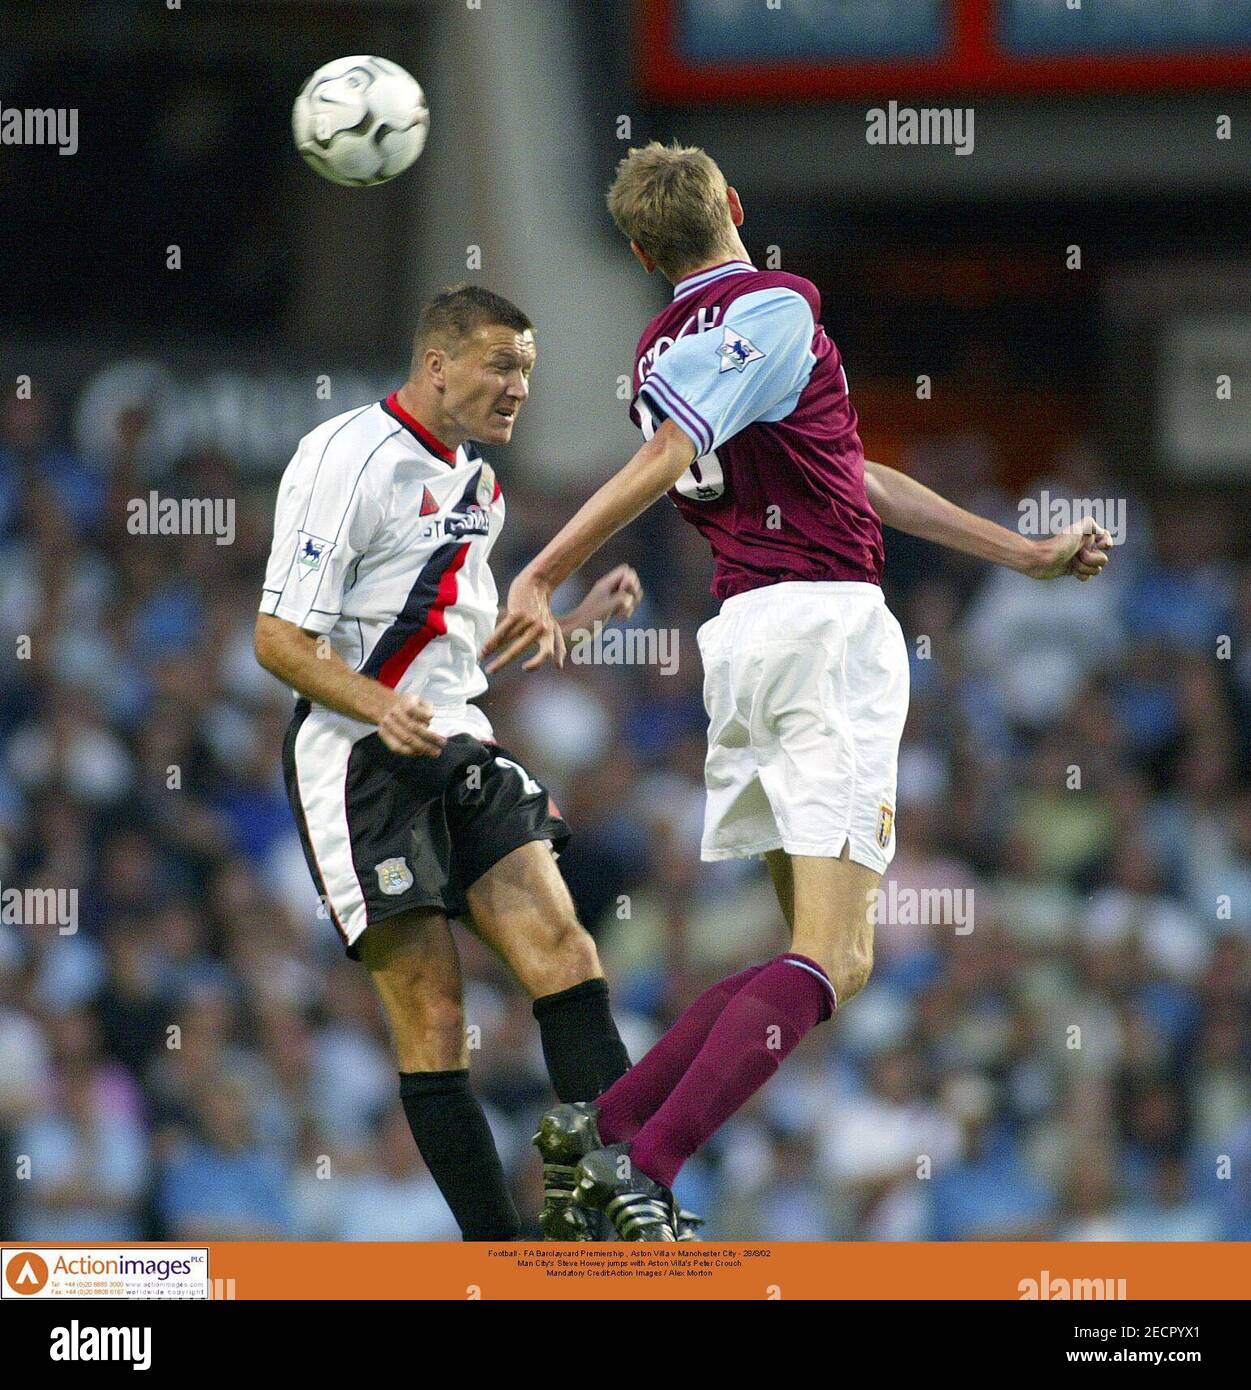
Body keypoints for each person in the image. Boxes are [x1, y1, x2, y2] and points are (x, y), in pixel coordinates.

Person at [484, 143, 1113, 1240]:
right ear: (735, 203)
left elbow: (848, 471)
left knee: (833, 955)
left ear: (639, 251)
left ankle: (607, 1128)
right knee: (828, 957)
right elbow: (674, 450)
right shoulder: (771, 309)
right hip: (824, 631)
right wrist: (544, 567)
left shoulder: (652, 354)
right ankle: (644, 1165)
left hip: (748, 641)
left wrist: (1016, 552)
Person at [255, 284, 643, 1240]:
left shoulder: (478, 485)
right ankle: (497, 1255)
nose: (519, 387)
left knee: (567, 950)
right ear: (437, 365)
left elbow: (451, 663)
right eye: (501, 365)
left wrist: (571, 620)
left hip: (456, 743)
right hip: (357, 760)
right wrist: (382, 706)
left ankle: (628, 1201)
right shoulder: (348, 457)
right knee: (433, 1015)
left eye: (527, 370)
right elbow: (276, 638)